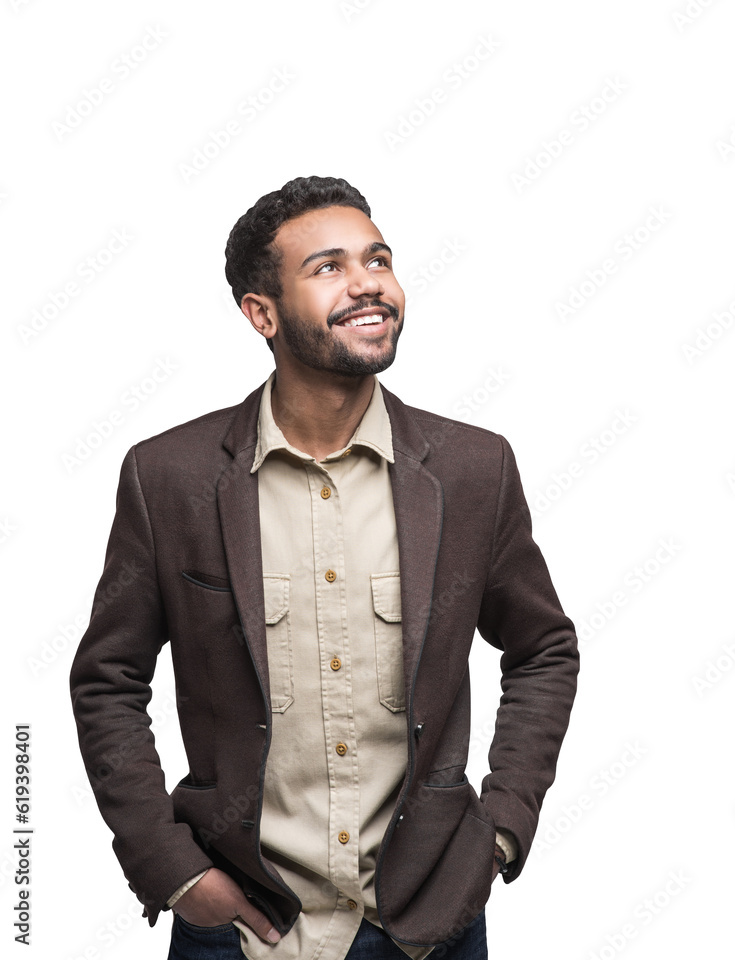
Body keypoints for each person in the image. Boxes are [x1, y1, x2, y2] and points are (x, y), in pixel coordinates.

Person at [70, 176, 579, 960]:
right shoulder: (167, 477)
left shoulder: (474, 470)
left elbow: (542, 648)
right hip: (239, 922)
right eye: (329, 267)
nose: (367, 281)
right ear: (260, 313)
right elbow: (108, 679)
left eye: (377, 259)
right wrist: (170, 869)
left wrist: (502, 828)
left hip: (424, 920)